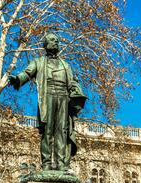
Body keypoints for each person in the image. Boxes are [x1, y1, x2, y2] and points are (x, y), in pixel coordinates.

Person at [9, 32, 87, 172]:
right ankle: (46, 163)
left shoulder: (66, 65)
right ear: (45, 45)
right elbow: (27, 73)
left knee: (62, 132)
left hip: (63, 99)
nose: (56, 42)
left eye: (57, 40)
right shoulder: (38, 62)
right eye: (52, 40)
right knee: (48, 132)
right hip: (47, 97)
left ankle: (61, 164)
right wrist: (18, 79)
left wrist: (77, 93)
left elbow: (73, 82)